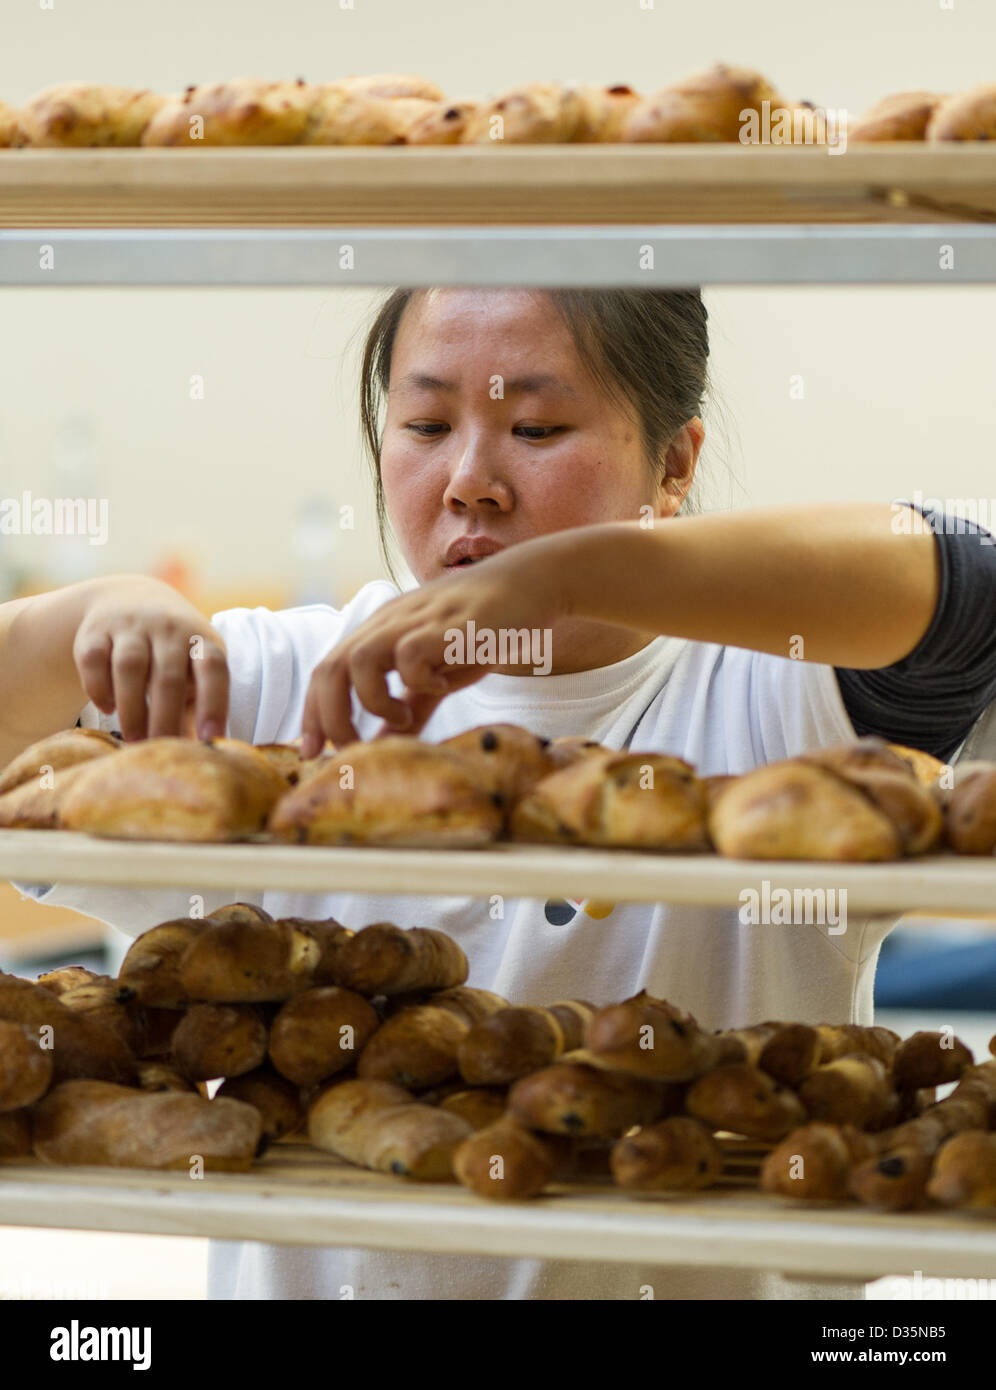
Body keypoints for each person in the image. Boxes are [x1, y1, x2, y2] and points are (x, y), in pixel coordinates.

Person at [2, 287, 994, 1301]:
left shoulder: (780, 697)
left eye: (536, 428)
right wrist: (97, 610)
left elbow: (966, 584)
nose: (470, 481)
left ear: (676, 463)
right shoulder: (272, 689)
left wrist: (575, 578)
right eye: (426, 426)